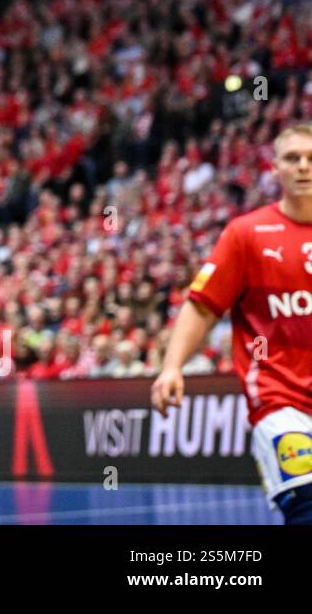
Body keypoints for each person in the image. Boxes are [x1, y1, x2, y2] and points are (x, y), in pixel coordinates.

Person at [152, 123, 312, 525]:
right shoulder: (246, 234)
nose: (303, 167)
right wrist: (172, 366)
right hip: (282, 401)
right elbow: (202, 306)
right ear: (274, 169)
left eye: (311, 159)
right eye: (292, 158)